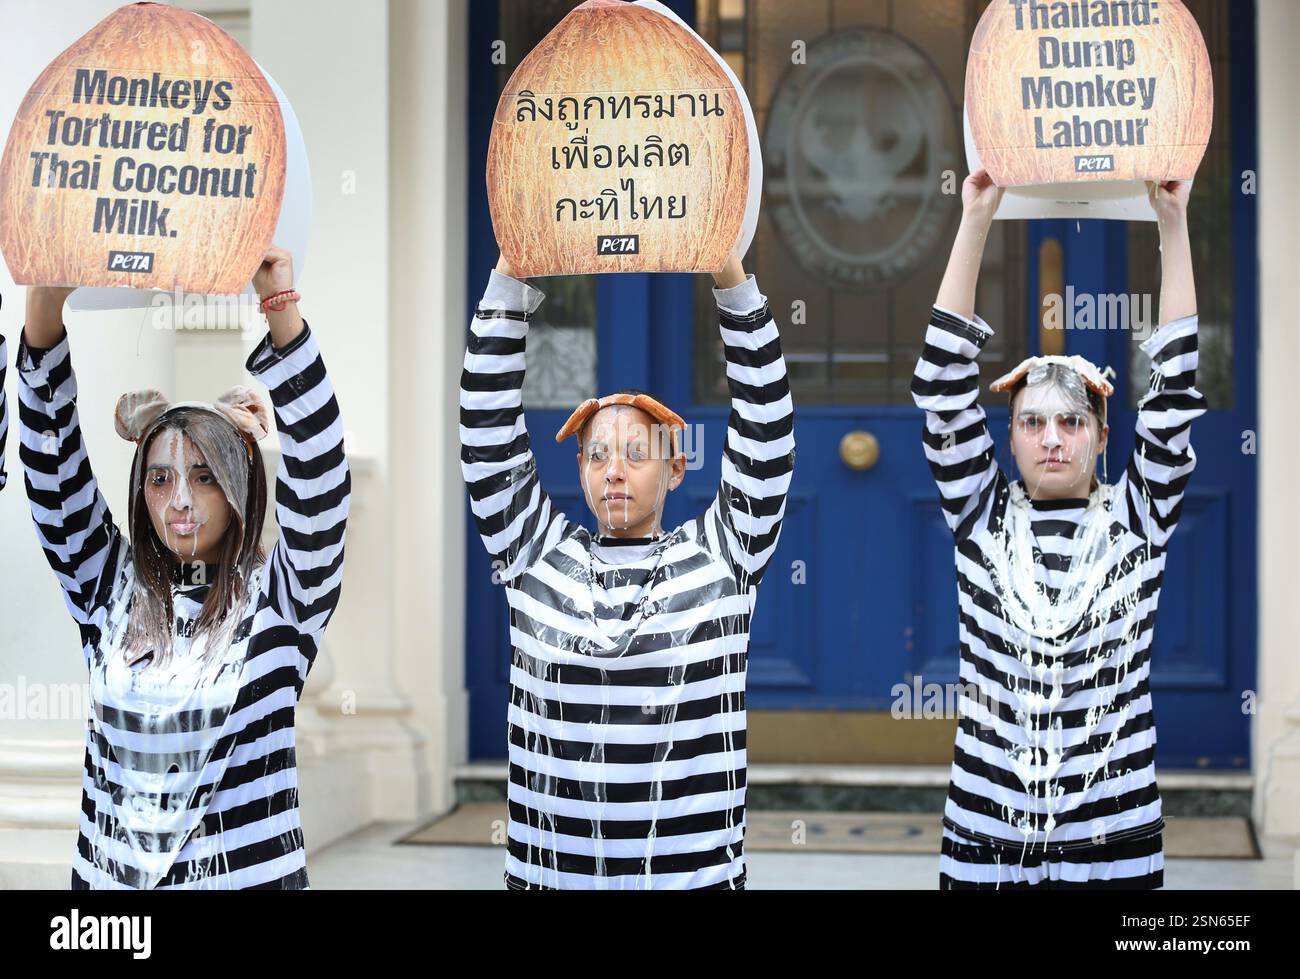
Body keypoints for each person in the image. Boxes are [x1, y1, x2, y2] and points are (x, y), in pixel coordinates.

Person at [16, 247, 351, 889]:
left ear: (238, 488)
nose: (179, 501)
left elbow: (324, 484)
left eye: (203, 477)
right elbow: (52, 477)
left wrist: (279, 304)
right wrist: (44, 312)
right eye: (160, 478)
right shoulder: (108, 587)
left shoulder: (282, 600)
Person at [460, 249, 795, 889]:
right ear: (581, 471)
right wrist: (510, 271)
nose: (614, 469)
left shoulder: (723, 556)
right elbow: (485, 428)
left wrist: (729, 275)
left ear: (675, 469)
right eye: (597, 456)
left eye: (636, 454)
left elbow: (766, 430)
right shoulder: (532, 555)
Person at [911, 170, 1204, 889]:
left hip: (1116, 835)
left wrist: (1173, 223)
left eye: (1072, 422)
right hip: (985, 832)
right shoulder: (981, 518)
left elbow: (1173, 396)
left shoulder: (1138, 519)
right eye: (1031, 422)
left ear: (1103, 437)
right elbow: (944, 392)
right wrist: (976, 216)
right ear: (1007, 440)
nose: (1052, 439)